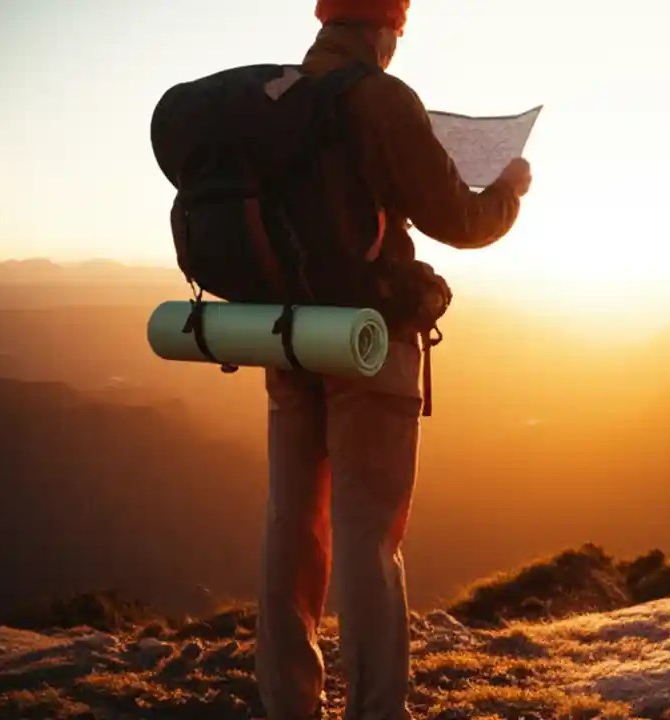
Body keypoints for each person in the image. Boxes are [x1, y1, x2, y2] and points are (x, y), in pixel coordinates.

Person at [257, 2, 532, 719]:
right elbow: (461, 220)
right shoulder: (380, 98)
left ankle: (288, 703)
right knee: (367, 536)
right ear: (384, 29)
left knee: (292, 526)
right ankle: (376, 709)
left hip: (285, 335)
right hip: (368, 342)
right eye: (398, 30)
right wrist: (508, 191)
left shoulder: (278, 94)